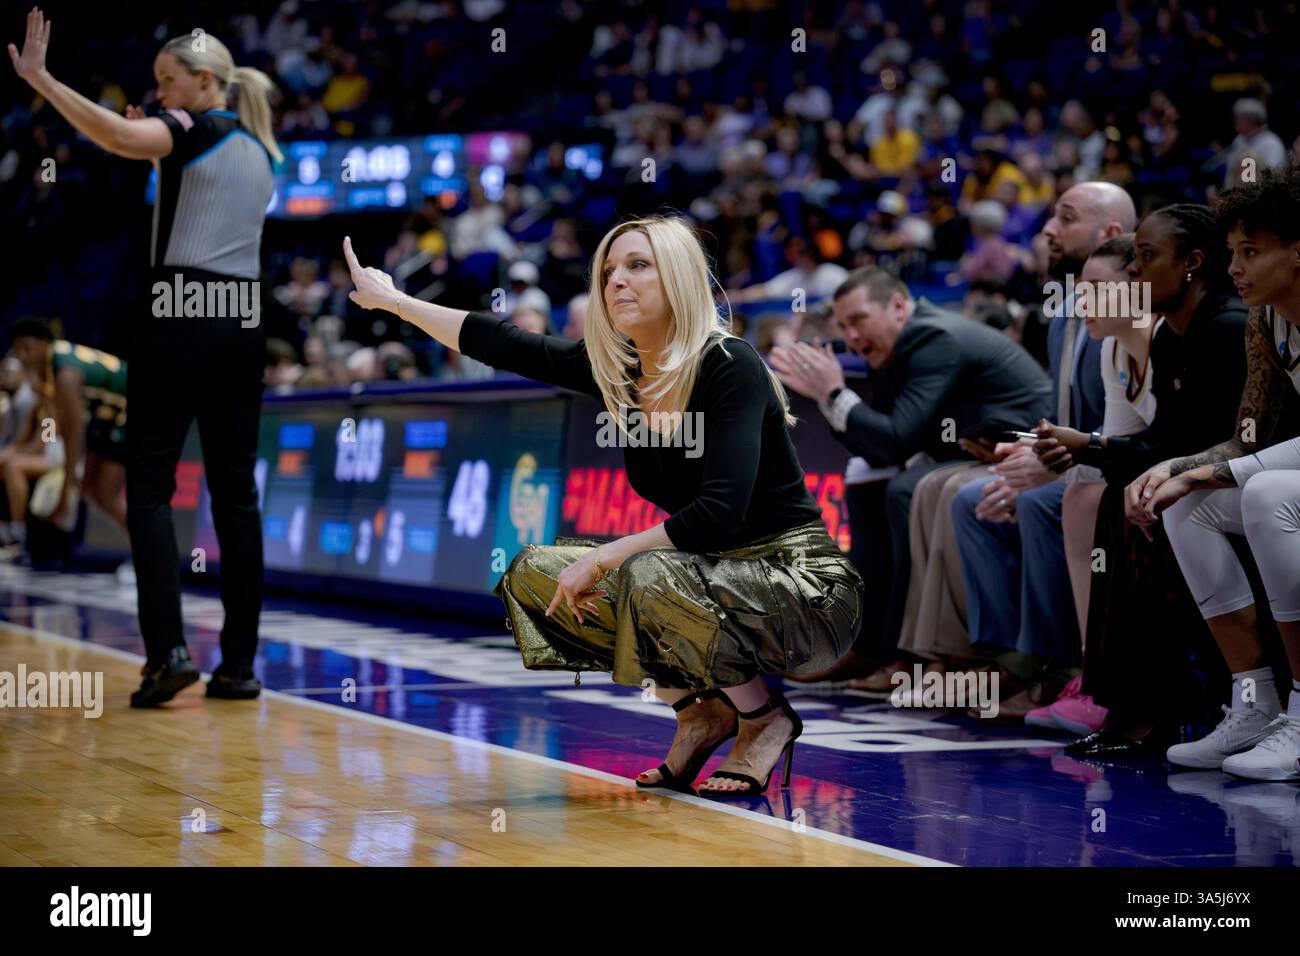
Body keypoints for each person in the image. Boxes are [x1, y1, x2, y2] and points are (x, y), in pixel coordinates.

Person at [341, 216, 865, 798]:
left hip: (802, 586)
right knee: (535, 574)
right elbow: (501, 341)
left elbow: (720, 513)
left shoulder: (728, 364)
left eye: (638, 266)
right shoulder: (619, 372)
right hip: (705, 576)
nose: (616, 282)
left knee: (647, 572)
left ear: (682, 279)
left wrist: (609, 554)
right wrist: (395, 302)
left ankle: (764, 718)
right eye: (609, 271)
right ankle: (699, 712)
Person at [9, 9, 279, 706]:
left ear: (206, 81)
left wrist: (42, 79)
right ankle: (240, 666)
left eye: (169, 82)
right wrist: (152, 147)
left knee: (150, 488)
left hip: (180, 314)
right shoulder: (261, 148)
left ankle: (168, 654)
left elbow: (118, 135)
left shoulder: (189, 127)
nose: (160, 94)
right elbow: (175, 176)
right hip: (243, 322)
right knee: (236, 495)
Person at [769, 266, 1052, 690]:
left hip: (1024, 452)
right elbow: (878, 447)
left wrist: (832, 392)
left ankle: (922, 653)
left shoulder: (931, 337)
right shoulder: (895, 344)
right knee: (867, 477)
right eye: (843, 325)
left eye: (859, 319)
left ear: (899, 306)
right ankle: (871, 646)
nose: (851, 335)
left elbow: (897, 439)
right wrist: (831, 397)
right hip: (961, 451)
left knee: (904, 489)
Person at [1036, 204, 1249, 757]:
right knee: (1118, 500)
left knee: (1150, 502)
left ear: (1192, 264)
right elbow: (1167, 440)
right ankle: (1131, 704)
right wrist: (1096, 448)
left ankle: (1181, 704)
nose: (1134, 275)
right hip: (1212, 472)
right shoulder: (1175, 336)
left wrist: (1107, 452)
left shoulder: (1225, 326)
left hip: (1249, 474)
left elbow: (1210, 442)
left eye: (1146, 259)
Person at [1128, 168, 1300, 780]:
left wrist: (1201, 473)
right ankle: (1256, 705)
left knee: (1269, 491)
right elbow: (1247, 435)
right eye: (1233, 254)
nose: (1235, 269)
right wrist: (1174, 470)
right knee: (1183, 504)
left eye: (1251, 252)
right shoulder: (1264, 322)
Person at [948, 182, 1134, 718]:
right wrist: (1024, 450)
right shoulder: (1061, 314)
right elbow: (1066, 420)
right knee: (971, 499)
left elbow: (1119, 429)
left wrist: (1048, 465)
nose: (1047, 231)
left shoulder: (1127, 315)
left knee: (1038, 500)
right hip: (1084, 461)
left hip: (1112, 467)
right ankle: (1008, 660)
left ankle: (1063, 667)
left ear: (1110, 235)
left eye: (1065, 219)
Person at [1029, 234, 1157, 734]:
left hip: (1204, 474)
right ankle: (1095, 673)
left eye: (1097, 288)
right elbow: (1118, 448)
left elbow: (1182, 440)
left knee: (1103, 496)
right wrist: (1073, 450)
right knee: (1085, 491)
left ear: (1138, 283)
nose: (1082, 302)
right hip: (1155, 472)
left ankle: (1138, 687)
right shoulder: (1111, 351)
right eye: (1079, 290)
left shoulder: (1171, 340)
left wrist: (1087, 448)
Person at [9, 318, 127, 547]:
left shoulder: (63, 375)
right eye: (16, 351)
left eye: (26, 348)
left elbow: (67, 433)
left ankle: (17, 534)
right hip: (74, 439)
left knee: (104, 492)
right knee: (96, 491)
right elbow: (45, 430)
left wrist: (67, 482)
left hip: (70, 448)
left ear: (44, 343)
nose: (21, 357)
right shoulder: (43, 384)